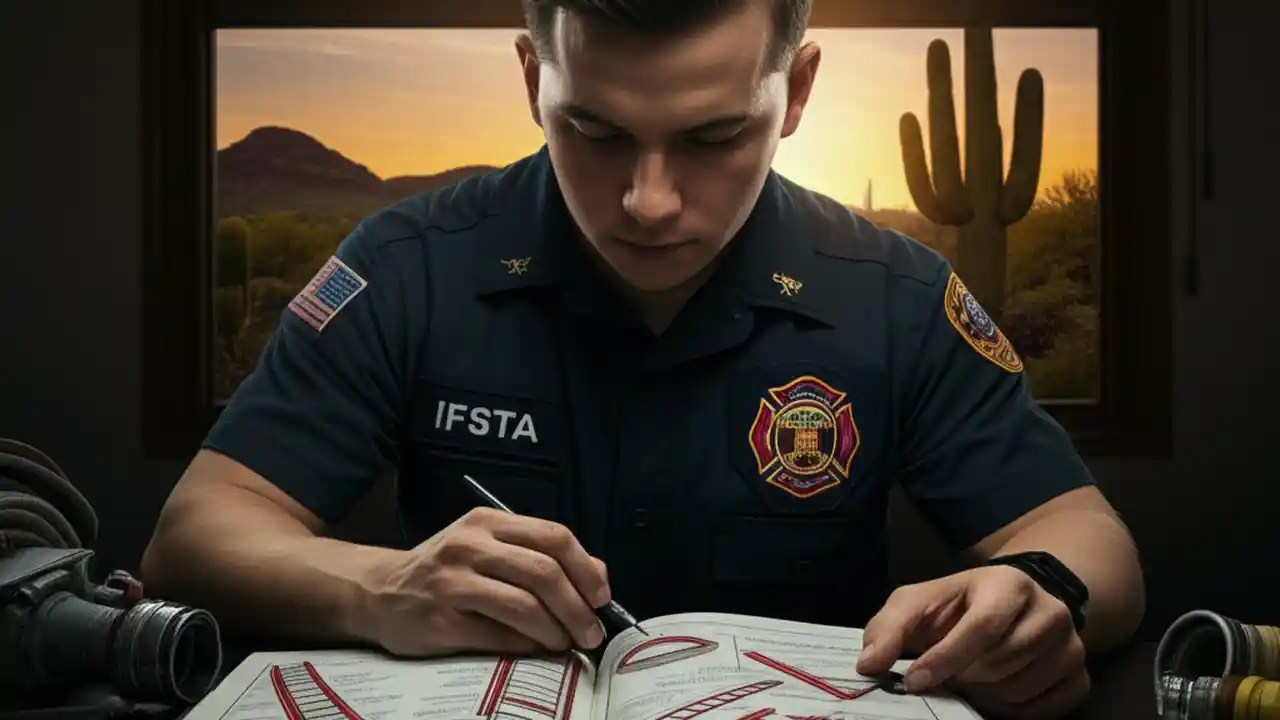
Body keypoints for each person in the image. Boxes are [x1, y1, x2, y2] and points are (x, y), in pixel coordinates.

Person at [141, 1, 1145, 717]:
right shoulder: (407, 268)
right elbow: (197, 534)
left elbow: (1079, 534)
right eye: (595, 130)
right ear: (533, 80)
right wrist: (380, 588)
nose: (649, 201)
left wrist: (1043, 591)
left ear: (793, 92)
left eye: (713, 136)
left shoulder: (898, 295)